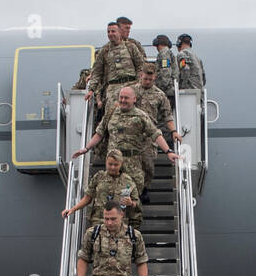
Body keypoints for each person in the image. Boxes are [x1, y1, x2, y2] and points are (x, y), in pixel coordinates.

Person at [73, 86, 178, 226]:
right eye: (121, 97)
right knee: (110, 200)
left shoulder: (141, 116)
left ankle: (129, 237)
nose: (122, 100)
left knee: (128, 204)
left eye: (126, 98)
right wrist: (86, 148)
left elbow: (156, 134)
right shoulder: (111, 114)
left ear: (134, 99)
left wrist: (168, 151)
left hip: (132, 166)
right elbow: (100, 133)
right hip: (112, 165)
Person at [62, 150, 140, 228]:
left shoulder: (128, 180)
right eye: (110, 164)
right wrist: (73, 209)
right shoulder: (99, 177)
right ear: (106, 162)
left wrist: (131, 203)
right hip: (99, 221)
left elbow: (137, 203)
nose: (112, 167)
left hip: (119, 223)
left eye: (116, 165)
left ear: (121, 164)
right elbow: (88, 197)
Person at [86, 20, 145, 114]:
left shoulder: (130, 47)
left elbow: (140, 66)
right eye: (108, 32)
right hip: (113, 87)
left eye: (113, 31)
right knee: (111, 114)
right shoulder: (104, 50)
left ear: (119, 32)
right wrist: (91, 90)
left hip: (131, 84)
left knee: (136, 113)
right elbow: (96, 72)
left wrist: (138, 84)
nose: (110, 34)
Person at [135, 63, 177, 188]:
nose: (147, 82)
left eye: (150, 79)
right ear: (140, 75)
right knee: (132, 166)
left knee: (148, 166)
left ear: (155, 78)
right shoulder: (131, 91)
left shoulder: (160, 95)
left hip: (150, 136)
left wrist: (173, 131)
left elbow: (167, 116)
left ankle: (145, 187)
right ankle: (135, 194)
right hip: (132, 133)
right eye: (145, 79)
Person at [152, 34, 177, 100]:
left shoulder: (164, 54)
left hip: (166, 92)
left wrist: (162, 90)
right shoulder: (167, 52)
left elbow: (165, 71)